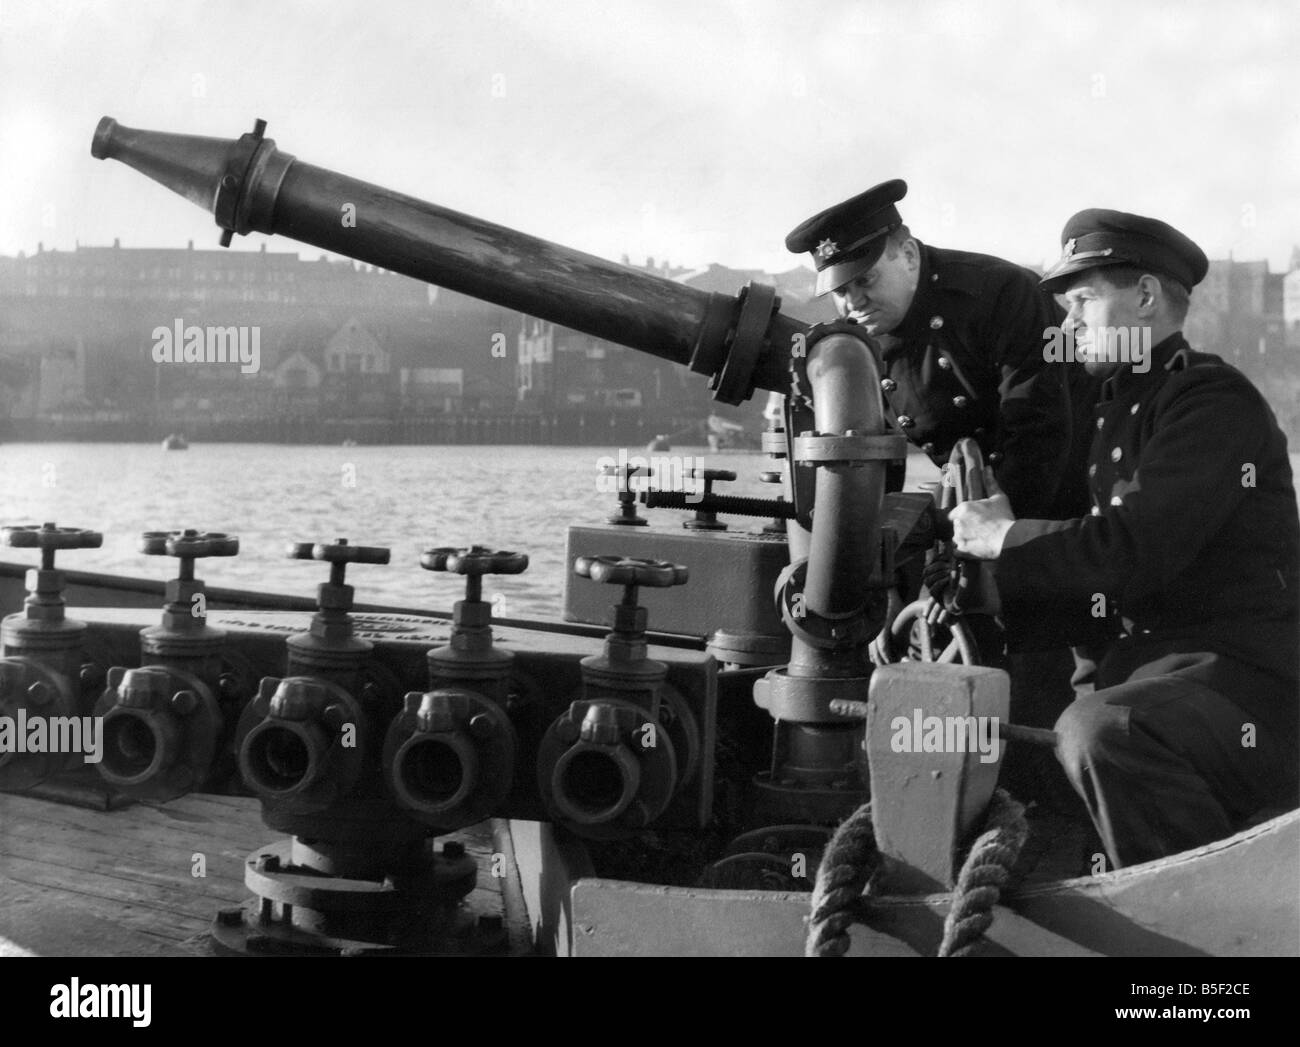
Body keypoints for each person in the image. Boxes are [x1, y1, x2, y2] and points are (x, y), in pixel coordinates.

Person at [949, 209, 1300, 869]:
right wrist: (979, 588)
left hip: (1244, 691)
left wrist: (1006, 539)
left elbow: (1133, 547)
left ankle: (1204, 926)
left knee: (1099, 733)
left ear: (1143, 298)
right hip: (1160, 681)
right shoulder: (1116, 409)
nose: (1069, 320)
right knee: (997, 733)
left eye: (1083, 300)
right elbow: (1109, 578)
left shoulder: (1212, 402)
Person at [784, 179, 1095, 522]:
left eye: (865, 281)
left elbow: (1040, 427)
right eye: (841, 291)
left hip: (1076, 491)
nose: (853, 302)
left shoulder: (1002, 293)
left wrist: (1002, 533)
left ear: (909, 256)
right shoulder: (860, 341)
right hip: (971, 496)